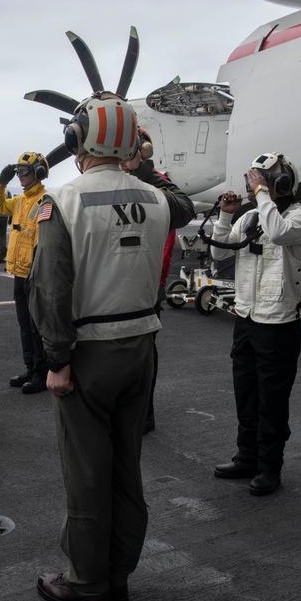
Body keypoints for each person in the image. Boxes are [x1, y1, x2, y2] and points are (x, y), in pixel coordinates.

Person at [29, 93, 196, 601]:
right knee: (127, 466)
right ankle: (118, 575)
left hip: (88, 353)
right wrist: (143, 163)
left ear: (81, 139)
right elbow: (185, 206)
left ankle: (86, 582)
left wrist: (56, 360)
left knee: (86, 473)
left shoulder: (64, 200)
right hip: (141, 347)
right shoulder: (156, 198)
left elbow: (51, 289)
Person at [208, 152, 301, 497]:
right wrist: (225, 217)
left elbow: (279, 233)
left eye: (262, 182)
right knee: (246, 393)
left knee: (272, 399)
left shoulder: (299, 219)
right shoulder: (252, 216)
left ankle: (270, 468)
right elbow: (220, 254)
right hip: (247, 318)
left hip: (279, 323)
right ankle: (247, 457)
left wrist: (262, 196)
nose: (254, 189)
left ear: (280, 184)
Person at [120, 127, 187, 434]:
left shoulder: (158, 184)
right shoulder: (117, 182)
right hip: (120, 281)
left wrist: (157, 281)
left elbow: (168, 238)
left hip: (147, 284)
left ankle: (144, 412)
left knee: (144, 350)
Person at [0, 152, 50, 394]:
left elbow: (45, 240)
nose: (19, 176)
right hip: (19, 273)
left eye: (23, 171)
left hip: (35, 275)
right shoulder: (18, 201)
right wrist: (0, 183)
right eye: (17, 171)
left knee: (37, 327)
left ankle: (41, 373)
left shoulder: (46, 201)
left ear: (37, 173)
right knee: (25, 325)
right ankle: (30, 367)